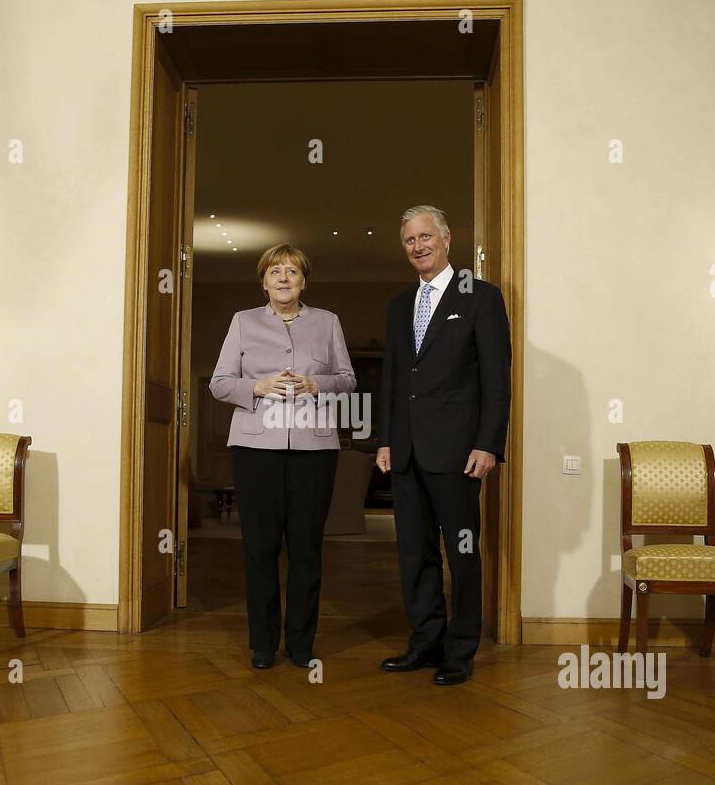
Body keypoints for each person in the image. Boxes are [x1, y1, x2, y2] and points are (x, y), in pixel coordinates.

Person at [376, 205, 511, 685]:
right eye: (409, 239)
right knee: (414, 551)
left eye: (425, 237)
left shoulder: (481, 297)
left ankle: (460, 649)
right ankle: (425, 641)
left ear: (447, 239)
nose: (418, 246)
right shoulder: (398, 306)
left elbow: (497, 380)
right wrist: (387, 441)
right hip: (408, 450)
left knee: (462, 551)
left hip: (458, 453)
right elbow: (393, 380)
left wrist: (488, 444)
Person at [210, 244, 356, 669]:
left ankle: (301, 643)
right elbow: (219, 383)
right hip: (256, 449)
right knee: (260, 548)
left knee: (307, 548)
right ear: (264, 281)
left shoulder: (327, 322)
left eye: (293, 271)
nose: (284, 277)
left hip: (315, 449)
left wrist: (317, 384)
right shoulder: (243, 322)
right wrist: (256, 387)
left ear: (304, 280)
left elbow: (347, 380)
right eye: (276, 271)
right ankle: (262, 644)